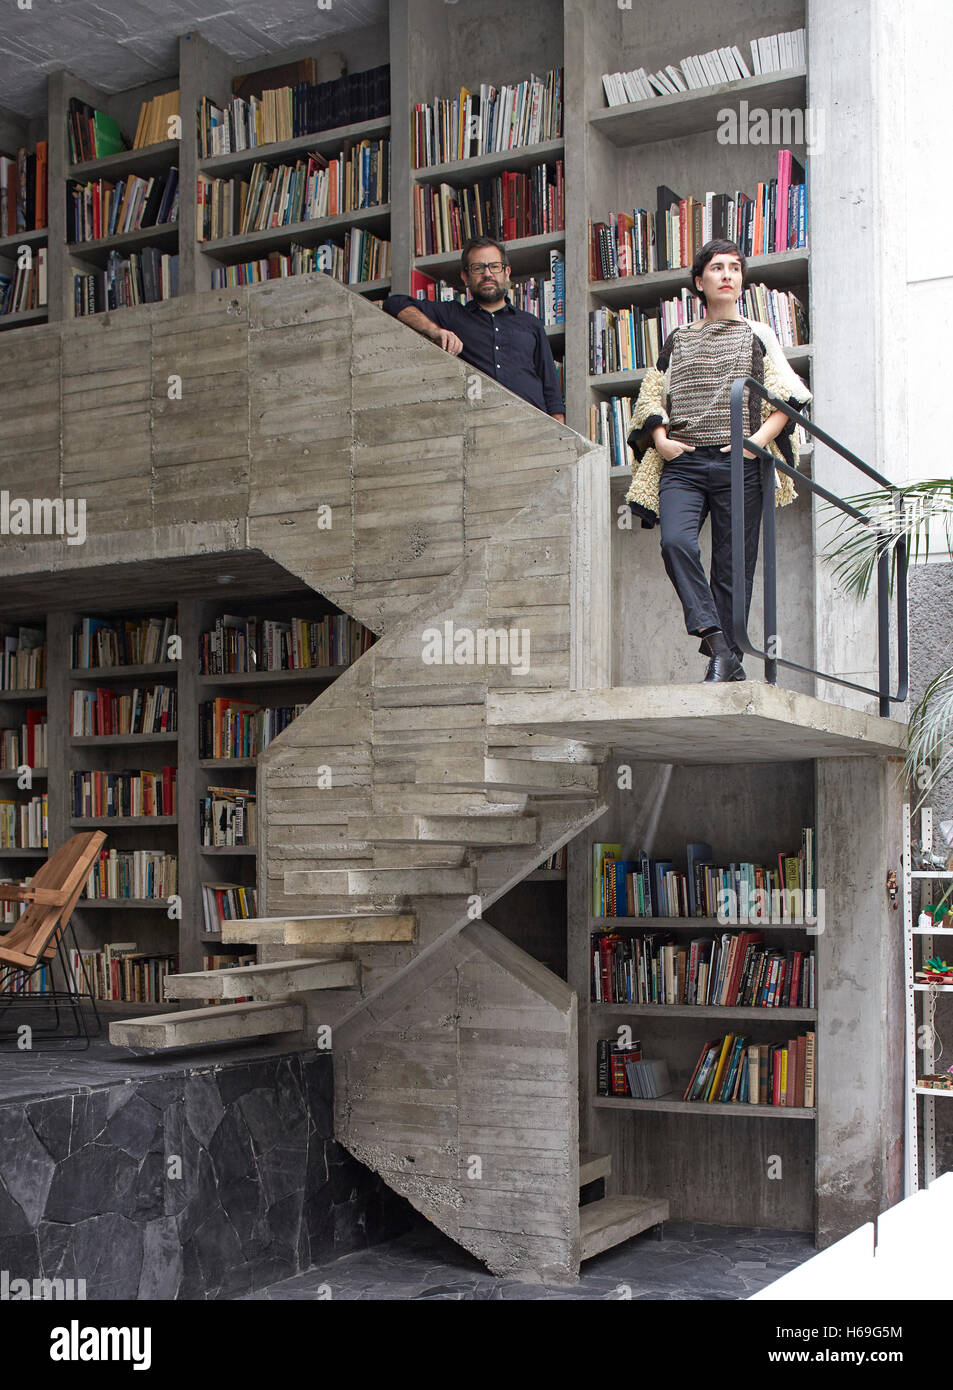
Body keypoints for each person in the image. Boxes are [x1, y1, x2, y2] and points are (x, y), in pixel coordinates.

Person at [625, 238, 812, 681]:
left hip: (738, 465)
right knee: (676, 543)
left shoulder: (757, 335)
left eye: (734, 268)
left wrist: (755, 442)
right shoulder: (679, 339)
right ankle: (717, 643)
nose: (727, 275)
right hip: (683, 464)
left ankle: (726, 662)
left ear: (741, 281)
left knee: (732, 568)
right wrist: (659, 438)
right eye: (716, 268)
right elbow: (650, 394)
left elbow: (790, 395)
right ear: (699, 281)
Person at [382, 236, 565, 421]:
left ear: (506, 272)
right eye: (478, 268)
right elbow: (394, 304)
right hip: (479, 428)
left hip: (534, 429)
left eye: (494, 266)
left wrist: (561, 442)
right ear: (465, 277)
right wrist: (434, 330)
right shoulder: (452, 315)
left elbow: (552, 393)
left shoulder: (531, 323)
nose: (487, 274)